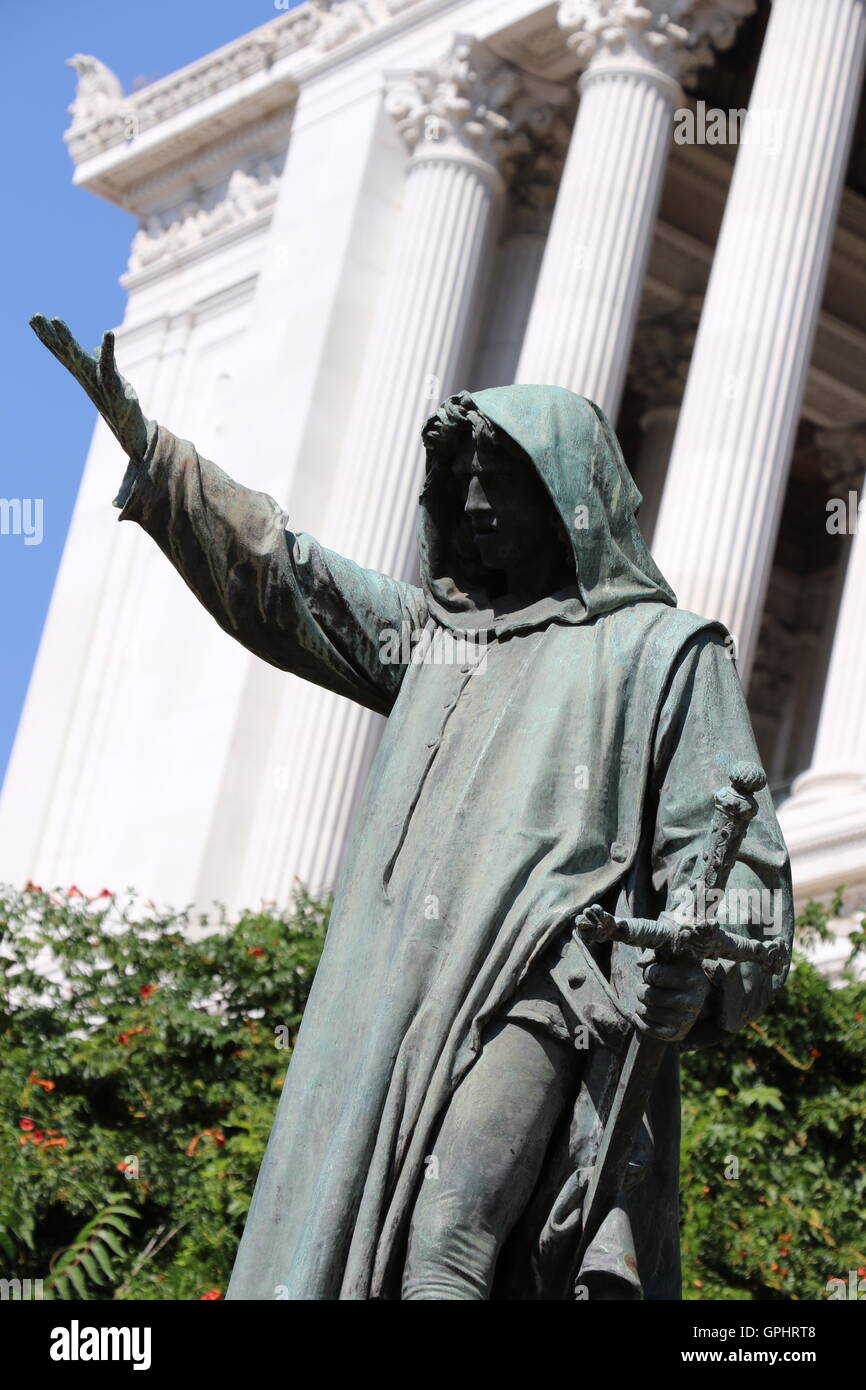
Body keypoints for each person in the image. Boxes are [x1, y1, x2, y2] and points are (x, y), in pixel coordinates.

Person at [30, 316, 793, 1300]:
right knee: (365, 1246)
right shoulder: (438, 640)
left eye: (498, 479)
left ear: (566, 492)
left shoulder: (664, 650)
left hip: (540, 988)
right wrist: (159, 455)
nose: (472, 502)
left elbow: (744, 878)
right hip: (392, 1000)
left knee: (451, 1231)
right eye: (459, 480)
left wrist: (690, 971)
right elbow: (287, 576)